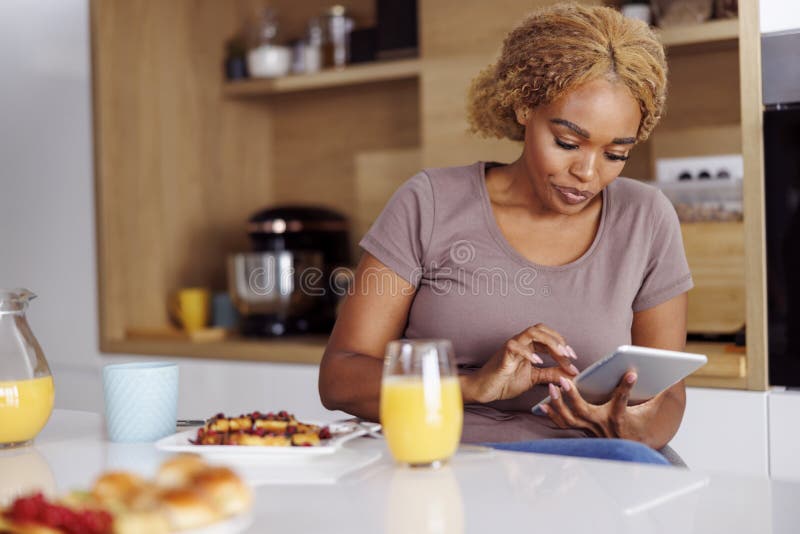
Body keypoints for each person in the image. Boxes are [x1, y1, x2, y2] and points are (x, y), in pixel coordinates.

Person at [319, 4, 692, 465]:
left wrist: (635, 428)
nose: (587, 173)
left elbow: (669, 396)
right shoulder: (430, 203)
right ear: (523, 107)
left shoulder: (646, 218)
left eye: (616, 153)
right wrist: (474, 387)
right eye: (567, 144)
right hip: (451, 460)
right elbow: (339, 378)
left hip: (596, 465)